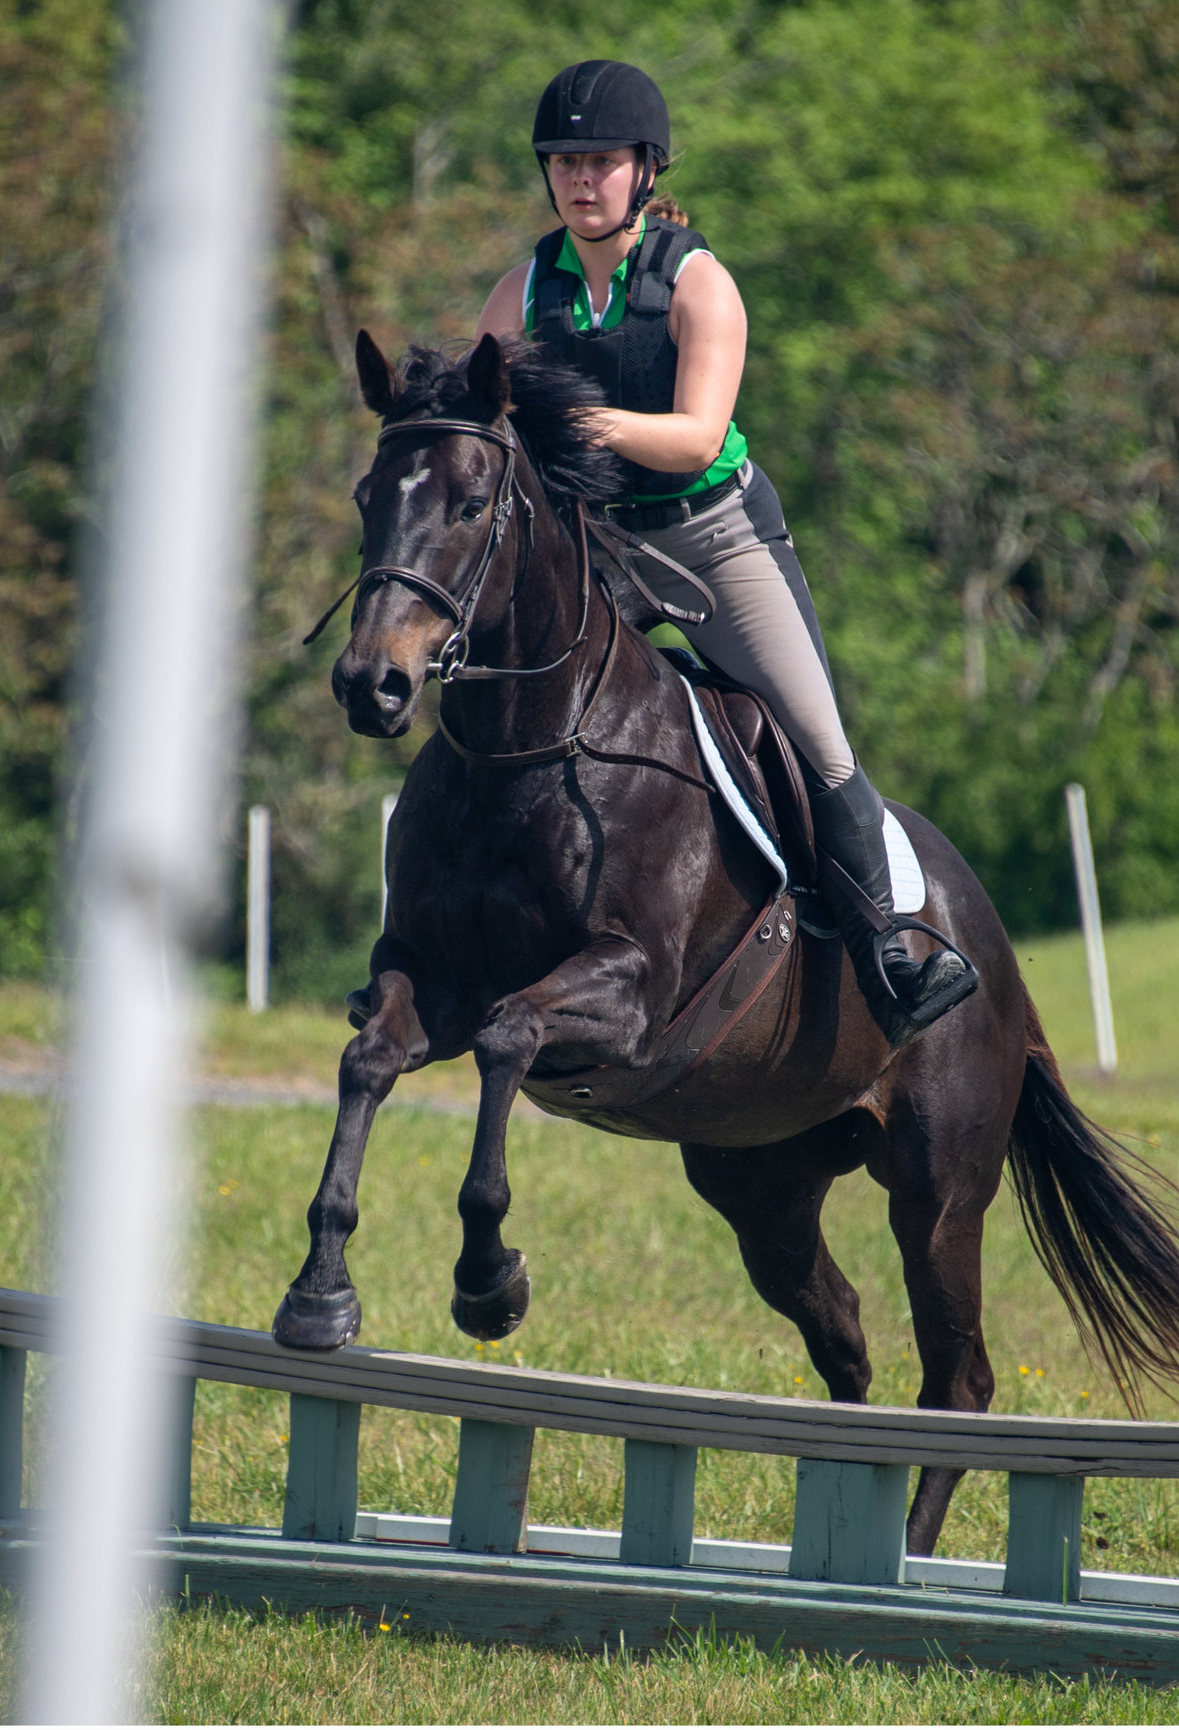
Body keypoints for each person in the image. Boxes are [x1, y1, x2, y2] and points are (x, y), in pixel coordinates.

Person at [475, 59, 976, 1051]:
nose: (580, 180)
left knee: (814, 739)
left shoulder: (699, 285)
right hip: (595, 545)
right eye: (563, 162)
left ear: (646, 171)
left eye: (601, 161)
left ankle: (890, 949)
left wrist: (572, 420)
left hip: (711, 540)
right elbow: (481, 414)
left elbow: (697, 437)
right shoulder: (521, 289)